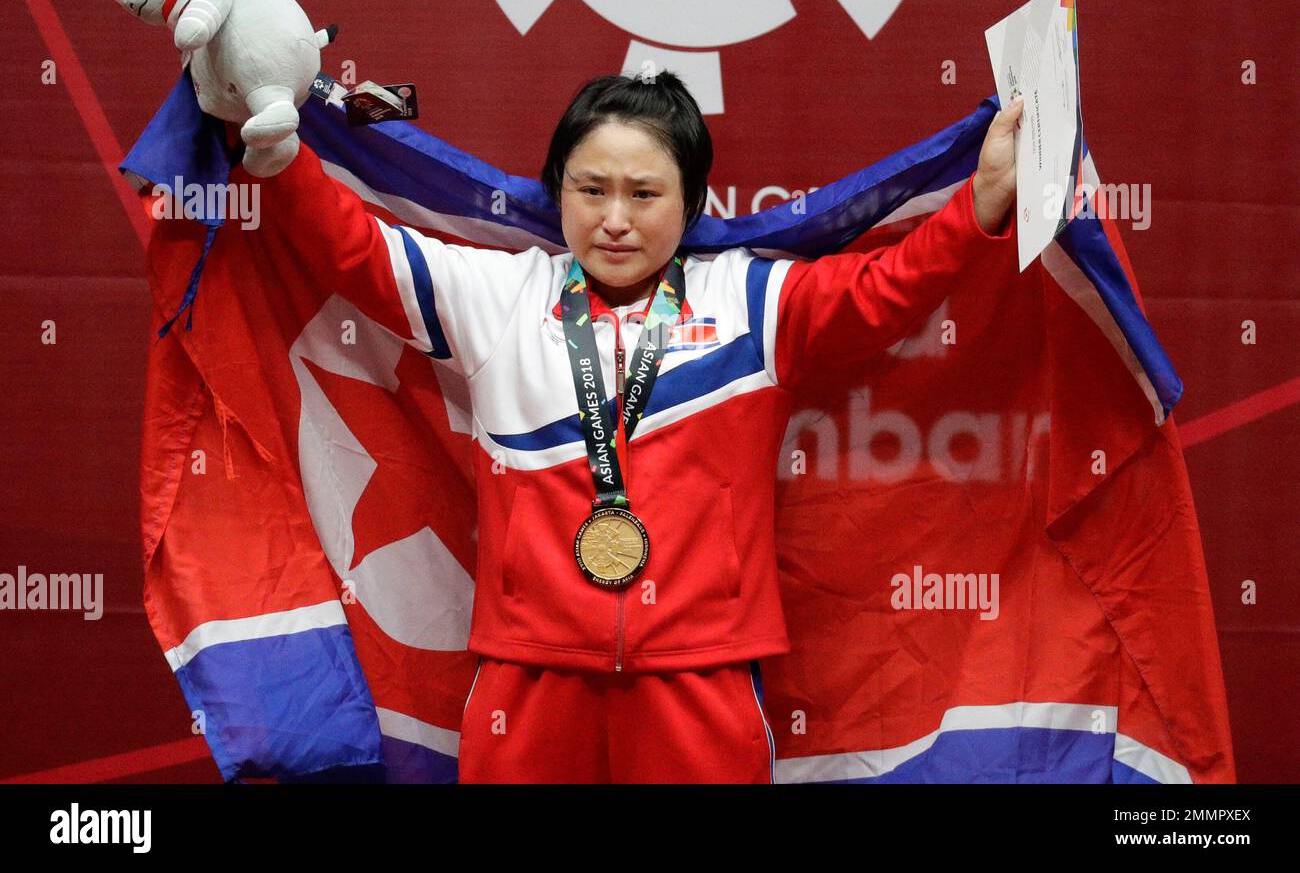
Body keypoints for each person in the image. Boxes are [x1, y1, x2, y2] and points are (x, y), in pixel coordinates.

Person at [233, 70, 1022, 783]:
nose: (615, 220)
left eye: (644, 194)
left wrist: (980, 201)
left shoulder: (750, 302)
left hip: (702, 676)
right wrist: (283, 163)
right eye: (590, 189)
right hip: (527, 676)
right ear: (556, 191)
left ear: (693, 201)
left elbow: (888, 289)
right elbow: (358, 251)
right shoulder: (498, 296)